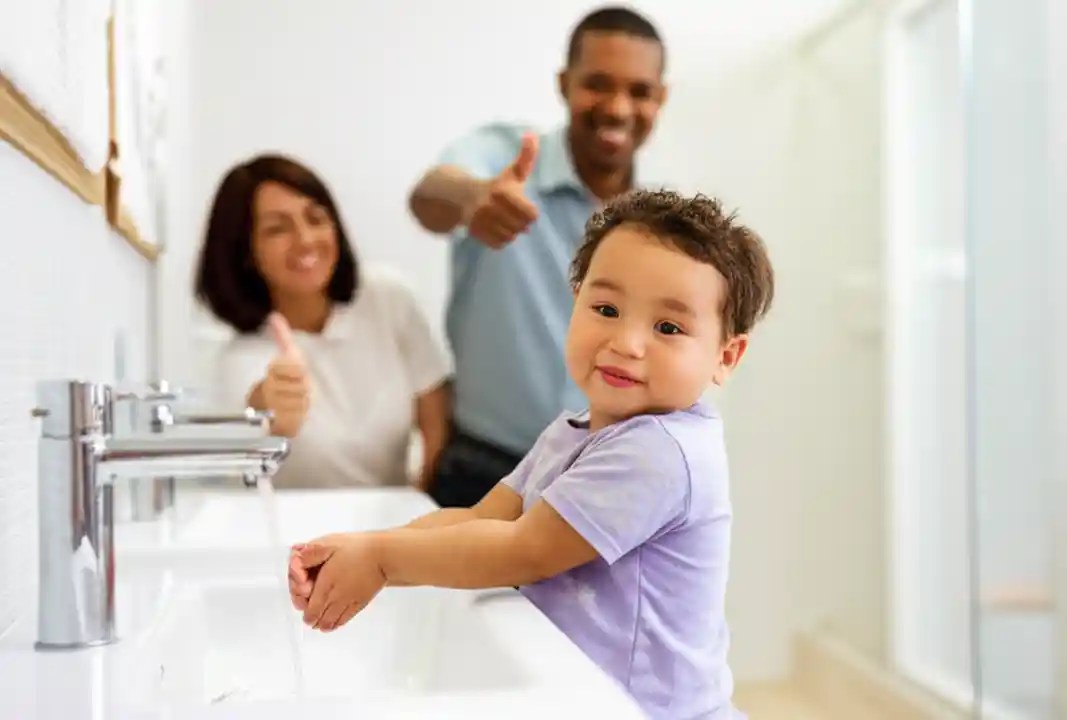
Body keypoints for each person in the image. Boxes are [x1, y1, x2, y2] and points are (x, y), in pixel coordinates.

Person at [287, 189, 776, 719]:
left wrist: (382, 561)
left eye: (668, 328)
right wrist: (362, 550)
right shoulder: (574, 432)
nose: (627, 342)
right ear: (576, 300)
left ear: (725, 357)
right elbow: (479, 521)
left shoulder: (661, 451)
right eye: (606, 309)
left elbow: (523, 550)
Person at [407, 6, 668, 507]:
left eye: (639, 91)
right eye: (598, 84)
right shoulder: (505, 157)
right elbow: (429, 195)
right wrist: (472, 197)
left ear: (662, 98)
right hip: (482, 473)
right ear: (564, 84)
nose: (617, 108)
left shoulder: (663, 217)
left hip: (606, 479)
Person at [196, 154, 452, 490]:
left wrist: (424, 519)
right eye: (277, 229)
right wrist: (268, 412)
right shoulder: (241, 359)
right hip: (303, 538)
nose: (305, 239)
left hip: (396, 529)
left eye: (315, 218)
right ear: (245, 252)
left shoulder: (389, 299)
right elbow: (251, 419)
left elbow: (437, 426)